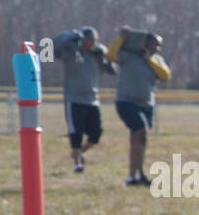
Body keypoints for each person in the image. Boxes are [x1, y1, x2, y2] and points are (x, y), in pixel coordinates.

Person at [105, 27, 170, 186]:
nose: (157, 48)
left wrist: (149, 60)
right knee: (140, 130)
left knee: (139, 137)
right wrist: (122, 39)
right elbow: (111, 55)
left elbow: (165, 76)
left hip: (146, 104)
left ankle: (136, 175)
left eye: (159, 46)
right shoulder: (129, 56)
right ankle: (133, 175)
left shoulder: (157, 61)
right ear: (146, 43)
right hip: (126, 102)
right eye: (154, 44)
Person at [54, 27, 116, 173]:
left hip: (92, 100)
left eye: (93, 41)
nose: (91, 43)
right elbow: (50, 48)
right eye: (88, 40)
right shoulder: (72, 53)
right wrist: (70, 36)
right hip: (74, 99)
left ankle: (80, 152)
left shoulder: (97, 56)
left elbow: (113, 71)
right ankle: (78, 163)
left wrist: (106, 60)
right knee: (76, 134)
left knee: (95, 134)